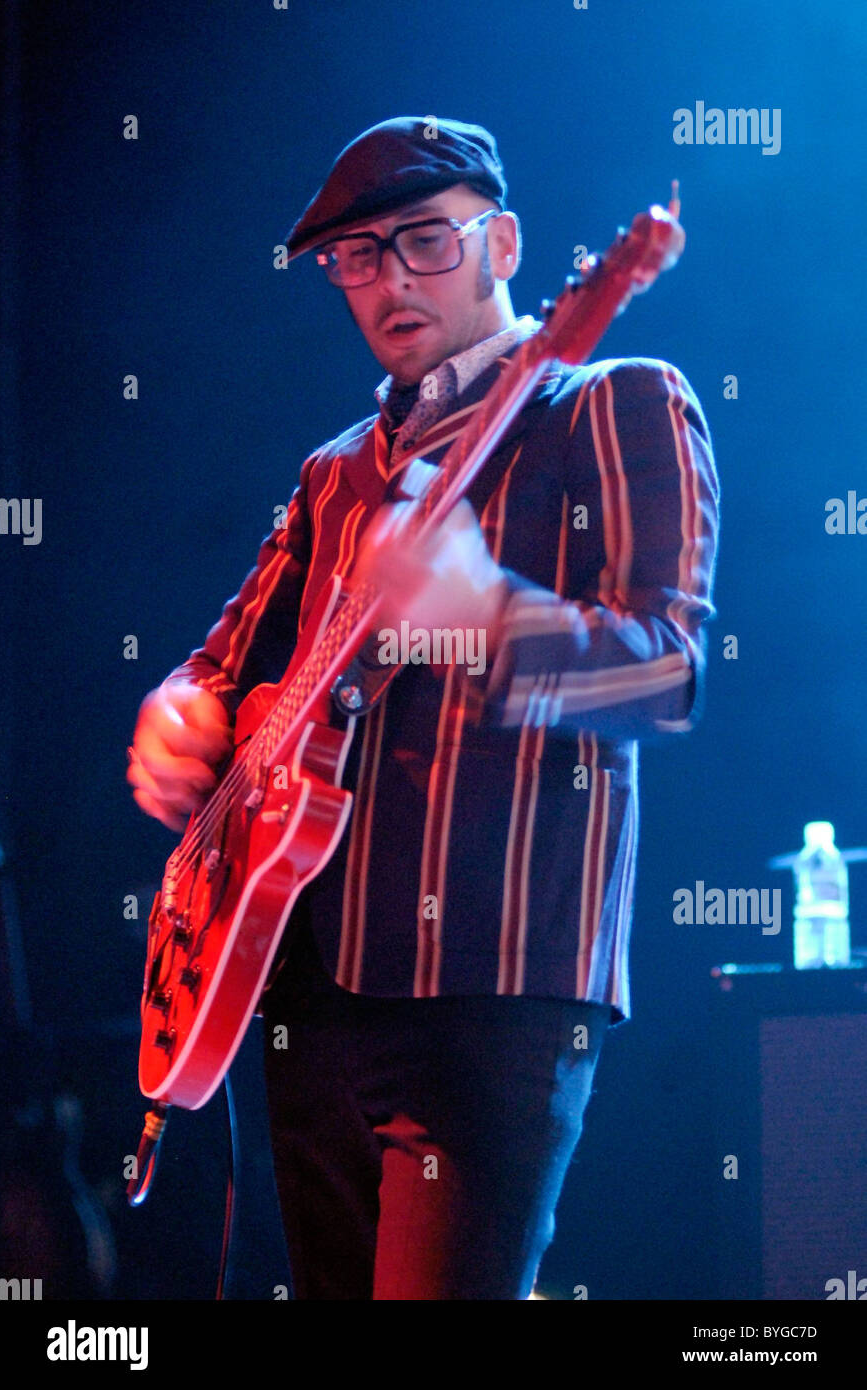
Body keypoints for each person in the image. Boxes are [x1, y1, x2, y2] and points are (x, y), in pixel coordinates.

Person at [127, 116, 720, 1300]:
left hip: (491, 990)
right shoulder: (334, 473)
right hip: (297, 985)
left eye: (424, 242)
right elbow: (222, 662)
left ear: (503, 242)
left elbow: (668, 673)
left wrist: (487, 611)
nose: (389, 277)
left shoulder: (612, 401)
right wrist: (178, 713)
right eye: (356, 257)